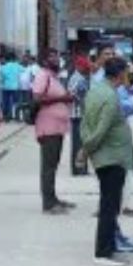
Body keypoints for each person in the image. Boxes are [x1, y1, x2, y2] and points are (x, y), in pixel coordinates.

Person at [81, 56, 133, 266]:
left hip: (106, 156)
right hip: (111, 157)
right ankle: (103, 252)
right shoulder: (110, 97)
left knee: (109, 203)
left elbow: (86, 123)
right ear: (121, 74)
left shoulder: (95, 90)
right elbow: (101, 129)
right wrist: (85, 150)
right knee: (109, 206)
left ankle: (110, 244)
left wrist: (86, 145)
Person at [32, 49, 76, 214]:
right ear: (44, 61)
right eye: (51, 57)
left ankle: (53, 198)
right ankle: (48, 203)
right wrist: (62, 98)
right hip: (48, 127)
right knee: (48, 166)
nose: (56, 59)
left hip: (58, 128)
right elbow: (37, 98)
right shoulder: (42, 75)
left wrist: (66, 97)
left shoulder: (53, 77)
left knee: (53, 164)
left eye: (57, 56)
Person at [68, 55, 92, 176]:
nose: (87, 69)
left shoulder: (76, 77)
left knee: (79, 143)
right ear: (78, 66)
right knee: (80, 144)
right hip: (79, 115)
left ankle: (79, 168)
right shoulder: (79, 79)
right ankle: (79, 169)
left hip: (77, 114)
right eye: (85, 67)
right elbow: (77, 96)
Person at [0, 54, 23, 121]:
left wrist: (2, 83)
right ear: (14, 59)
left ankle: (6, 117)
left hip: (6, 87)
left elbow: (0, 79)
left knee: (6, 102)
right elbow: (24, 72)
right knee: (16, 102)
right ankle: (16, 116)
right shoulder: (18, 66)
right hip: (15, 87)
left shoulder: (3, 67)